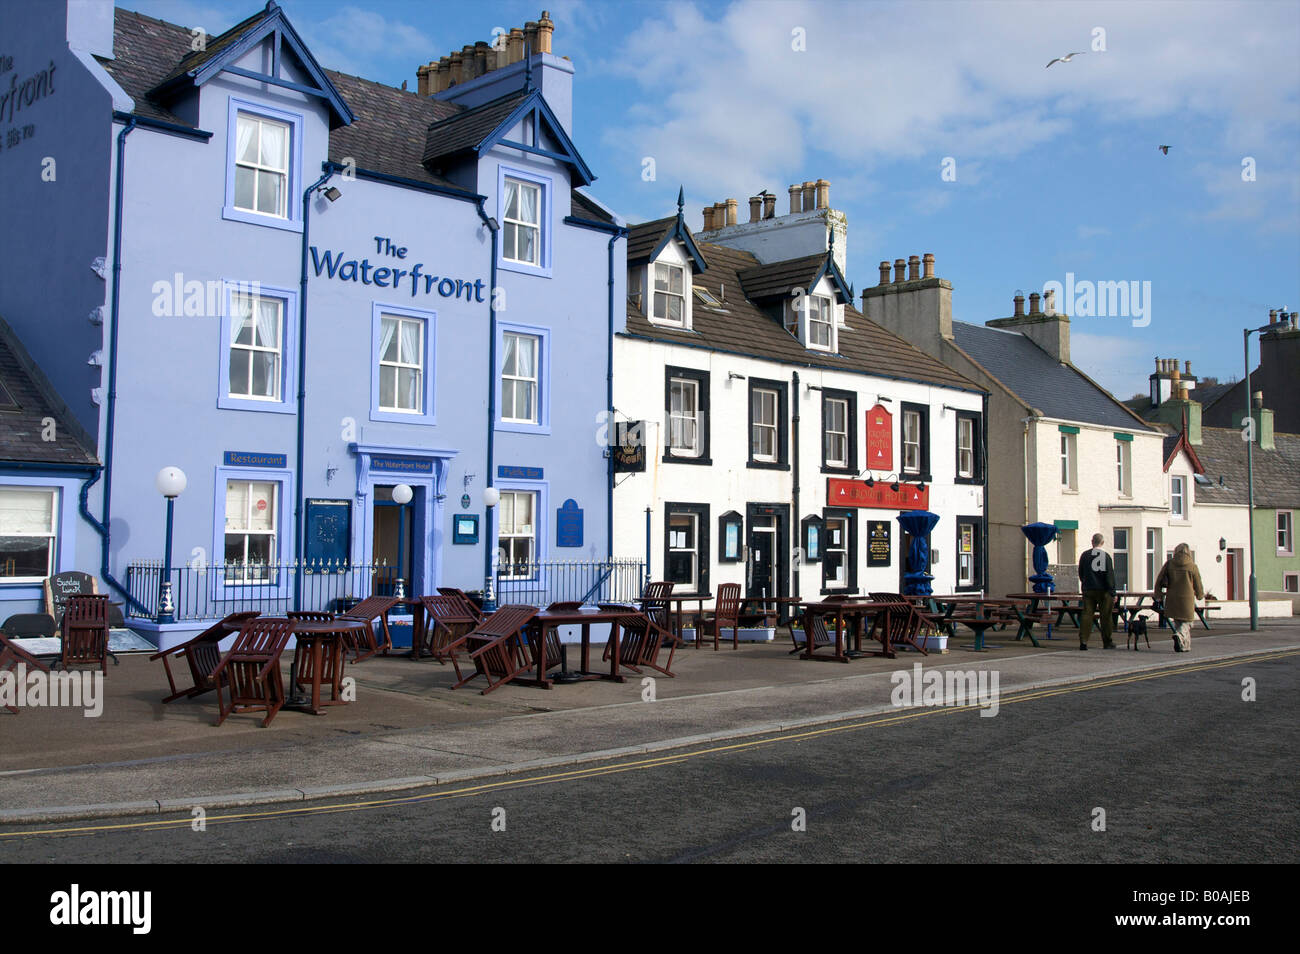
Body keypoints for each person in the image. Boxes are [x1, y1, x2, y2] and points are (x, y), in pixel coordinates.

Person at [1154, 543, 1204, 652]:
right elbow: (1198, 583)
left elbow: (1159, 579)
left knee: (1178, 622)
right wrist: (1200, 595)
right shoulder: (1192, 566)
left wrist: (1157, 595)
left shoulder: (1170, 564)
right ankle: (1179, 635)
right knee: (1187, 623)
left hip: (1172, 597)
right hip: (1187, 598)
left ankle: (1184, 646)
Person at [1077, 533, 1117, 650]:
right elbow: (1110, 575)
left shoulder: (1085, 555)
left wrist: (1085, 583)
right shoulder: (1106, 556)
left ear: (1092, 541)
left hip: (1089, 589)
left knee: (1087, 615)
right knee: (1106, 616)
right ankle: (1107, 642)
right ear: (1102, 543)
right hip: (1104, 591)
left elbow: (1081, 572)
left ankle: (1083, 641)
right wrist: (1113, 592)